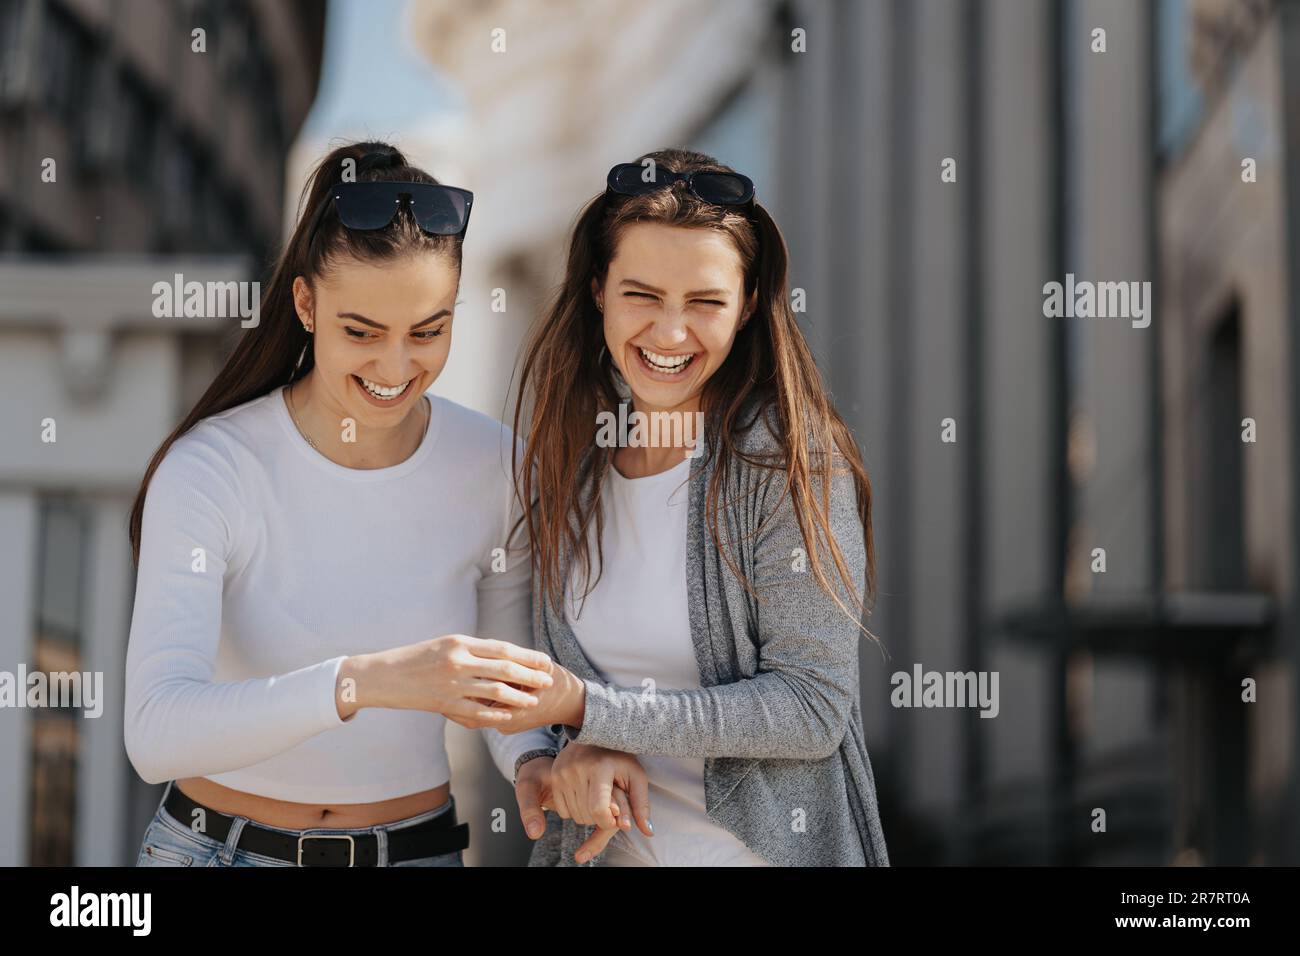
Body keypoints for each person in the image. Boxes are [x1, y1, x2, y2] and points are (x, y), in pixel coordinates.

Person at [123, 141, 580, 867]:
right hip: (219, 853)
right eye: (361, 333)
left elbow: (502, 678)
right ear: (306, 302)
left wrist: (532, 760)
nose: (396, 368)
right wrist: (364, 682)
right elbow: (156, 732)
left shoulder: (497, 464)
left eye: (428, 332)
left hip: (416, 852)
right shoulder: (214, 468)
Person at [500, 148, 891, 866]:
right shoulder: (571, 469)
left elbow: (811, 709)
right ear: (597, 291)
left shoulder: (787, 463)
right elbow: (562, 715)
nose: (671, 333)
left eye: (705, 302)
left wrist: (592, 713)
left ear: (746, 307)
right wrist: (562, 755)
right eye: (642, 295)